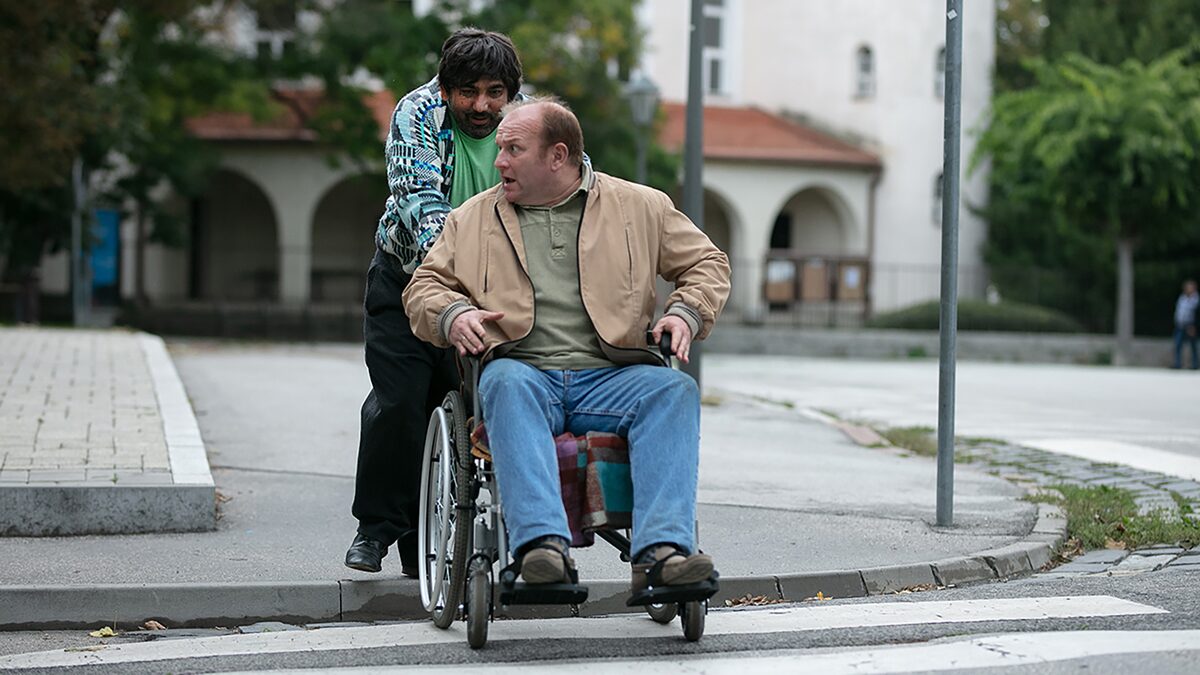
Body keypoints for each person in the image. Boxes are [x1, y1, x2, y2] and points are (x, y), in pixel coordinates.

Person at [403, 98, 731, 593]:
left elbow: (708, 264)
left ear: (558, 156)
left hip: (612, 374)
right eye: (500, 149)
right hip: (524, 371)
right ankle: (541, 551)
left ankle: (664, 553)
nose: (499, 161)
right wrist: (453, 314)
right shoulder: (471, 220)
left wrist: (685, 311)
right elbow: (423, 287)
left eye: (513, 149)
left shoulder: (640, 207)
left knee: (673, 391)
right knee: (505, 382)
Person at [344, 28, 525, 576]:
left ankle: (432, 536)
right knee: (399, 403)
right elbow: (418, 200)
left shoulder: (528, 122)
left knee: (467, 407)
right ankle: (376, 530)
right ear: (445, 89)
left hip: (489, 296)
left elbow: (562, 181)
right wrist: (456, 279)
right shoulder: (416, 114)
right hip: (407, 280)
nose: (482, 105)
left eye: (495, 92)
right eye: (468, 91)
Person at [1173, 279, 1198, 370]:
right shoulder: (1182, 298)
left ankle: (1195, 365)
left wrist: (1193, 326)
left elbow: (1196, 315)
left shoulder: (1196, 300)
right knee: (1178, 345)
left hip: (1190, 326)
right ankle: (1177, 363)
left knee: (1193, 346)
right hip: (1180, 325)